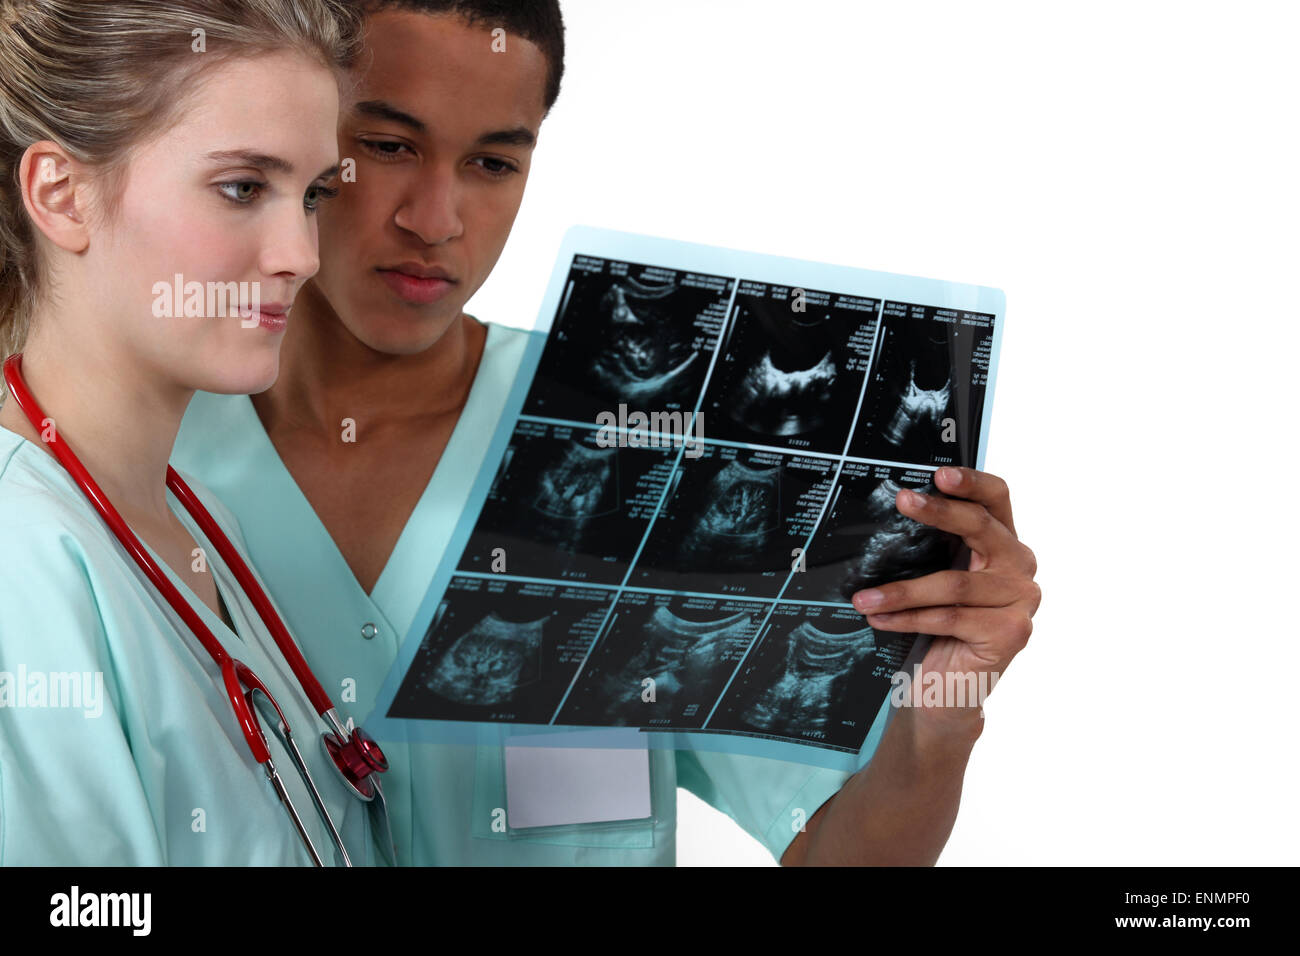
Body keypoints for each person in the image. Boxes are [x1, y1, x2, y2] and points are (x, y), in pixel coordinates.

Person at [173, 0, 1041, 866]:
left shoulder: (662, 447)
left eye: (493, 162)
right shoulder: (148, 455)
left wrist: (940, 719)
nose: (435, 221)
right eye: (389, 145)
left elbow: (834, 856)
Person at [0, 0, 389, 866]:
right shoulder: (17, 562)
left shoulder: (203, 522)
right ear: (61, 196)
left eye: (313, 195)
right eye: (243, 188)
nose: (302, 254)